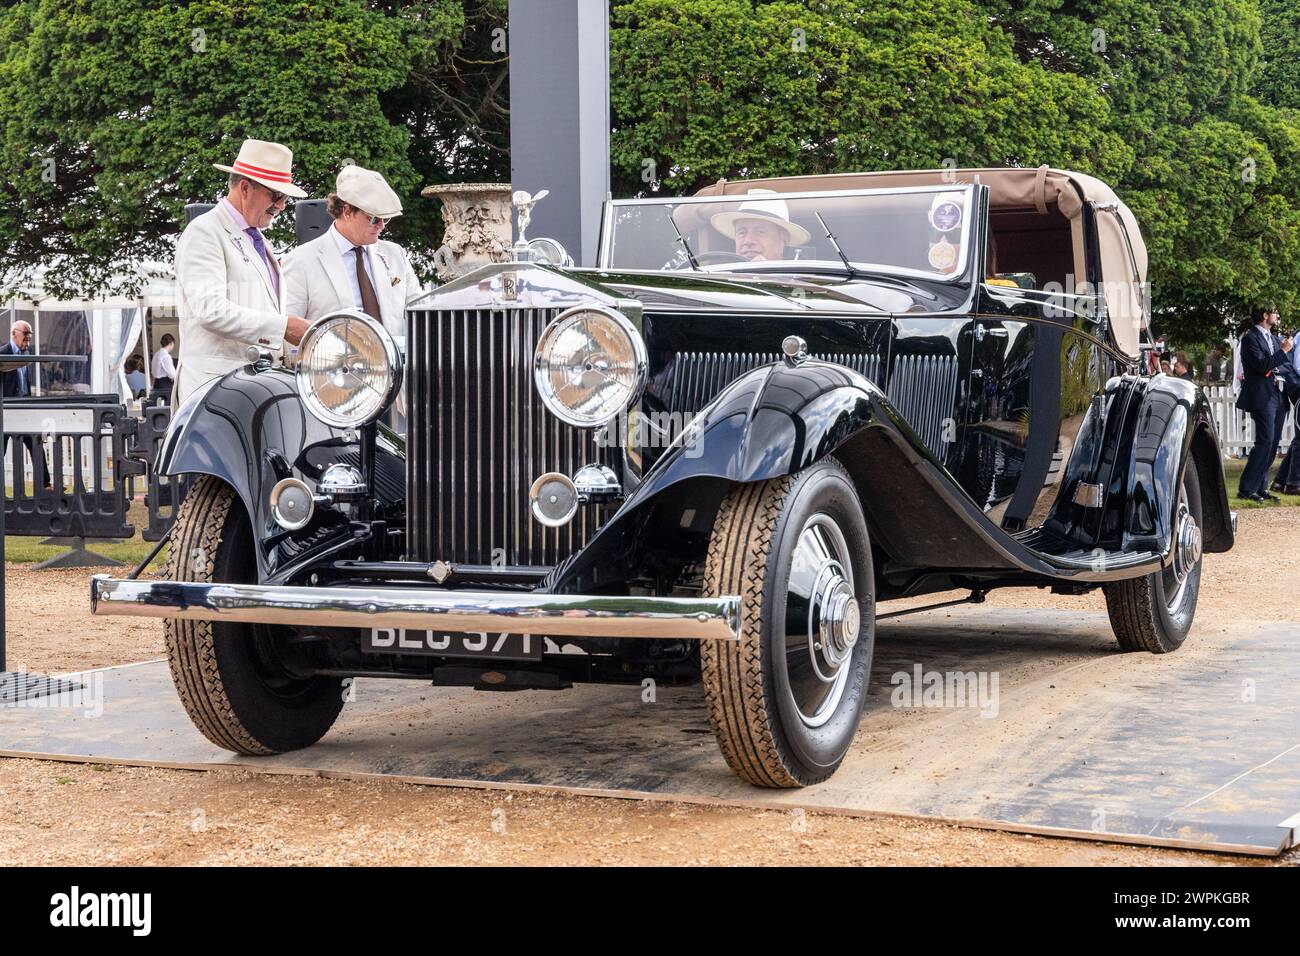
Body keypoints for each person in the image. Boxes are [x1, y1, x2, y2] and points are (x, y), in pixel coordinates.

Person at [173, 139, 311, 405]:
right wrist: (284, 327)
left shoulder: (256, 239)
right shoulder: (205, 231)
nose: (281, 205)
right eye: (276, 195)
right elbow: (210, 310)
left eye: (284, 198)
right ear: (246, 188)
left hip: (252, 392)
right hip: (215, 394)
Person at [282, 164, 422, 347]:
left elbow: (418, 313)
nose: (382, 226)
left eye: (385, 219)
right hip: (335, 372)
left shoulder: (396, 254)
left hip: (399, 369)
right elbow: (288, 332)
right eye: (374, 218)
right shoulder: (300, 260)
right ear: (346, 211)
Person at [1236, 305, 1293, 501]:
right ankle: (1246, 489)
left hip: (1278, 394)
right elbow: (1262, 366)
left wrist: (1276, 364)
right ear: (1265, 315)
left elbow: (1284, 366)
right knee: (1265, 441)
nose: (1278, 315)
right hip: (1261, 395)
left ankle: (1260, 487)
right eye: (1276, 312)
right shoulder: (1250, 338)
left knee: (1273, 443)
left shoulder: (1274, 339)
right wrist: (1282, 353)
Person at [0, 319, 51, 490]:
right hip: (6, 412)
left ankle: (45, 484)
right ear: (14, 333)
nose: (28, 341)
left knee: (36, 444)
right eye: (25, 336)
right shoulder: (3, 354)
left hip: (23, 410)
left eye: (30, 337)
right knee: (2, 449)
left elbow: (24, 385)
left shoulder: (25, 355)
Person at [709, 190, 811, 262]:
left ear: (784, 238)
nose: (748, 241)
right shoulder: (721, 279)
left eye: (760, 232)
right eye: (742, 232)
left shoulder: (798, 282)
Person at [148, 334, 176, 405]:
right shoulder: (166, 356)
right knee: (166, 406)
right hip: (165, 384)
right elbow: (172, 374)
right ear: (171, 343)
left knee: (157, 406)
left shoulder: (156, 355)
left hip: (156, 383)